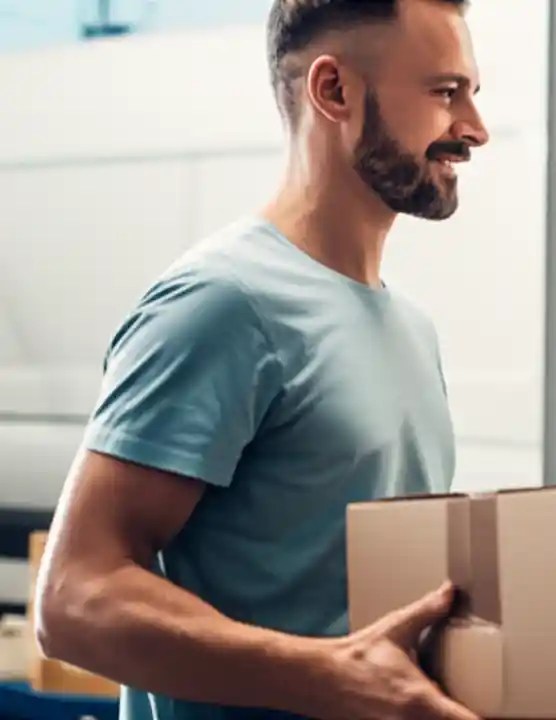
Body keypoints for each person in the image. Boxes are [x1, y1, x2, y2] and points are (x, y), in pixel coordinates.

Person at [32, 1, 489, 719]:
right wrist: (329, 677)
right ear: (333, 90)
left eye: (471, 94)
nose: (474, 128)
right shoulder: (223, 302)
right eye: (445, 92)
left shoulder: (410, 328)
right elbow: (73, 598)